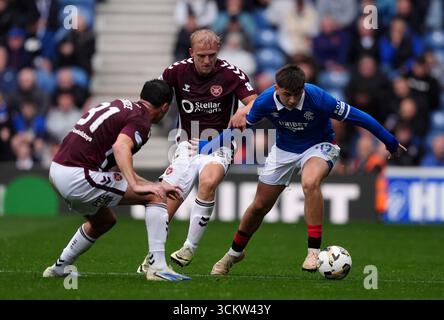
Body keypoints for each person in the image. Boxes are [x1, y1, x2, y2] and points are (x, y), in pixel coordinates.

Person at [208, 64, 406, 275]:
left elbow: (358, 116)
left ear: (303, 88)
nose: (292, 100)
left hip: (320, 145)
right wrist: (205, 148)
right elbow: (238, 130)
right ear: (276, 88)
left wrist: (390, 141)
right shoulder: (265, 101)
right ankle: (234, 253)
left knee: (310, 182)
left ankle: (313, 252)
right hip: (283, 149)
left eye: (297, 94)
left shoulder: (319, 98)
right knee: (259, 206)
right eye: (287, 95)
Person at [43, 79, 190, 281]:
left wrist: (151, 184)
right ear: (165, 107)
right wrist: (142, 186)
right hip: (78, 175)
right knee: (155, 197)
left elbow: (114, 166)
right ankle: (158, 268)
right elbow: (122, 148)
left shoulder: (121, 106)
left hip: (57, 169)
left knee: (104, 221)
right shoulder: (141, 120)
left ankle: (59, 267)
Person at [137, 29, 257, 272]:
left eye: (212, 55)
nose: (206, 61)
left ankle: (189, 247)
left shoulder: (232, 74)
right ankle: (153, 257)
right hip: (187, 144)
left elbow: (256, 101)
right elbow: (154, 95)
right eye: (201, 55)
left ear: (218, 52)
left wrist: (243, 110)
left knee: (208, 180)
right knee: (164, 202)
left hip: (219, 143)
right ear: (191, 53)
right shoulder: (175, 71)